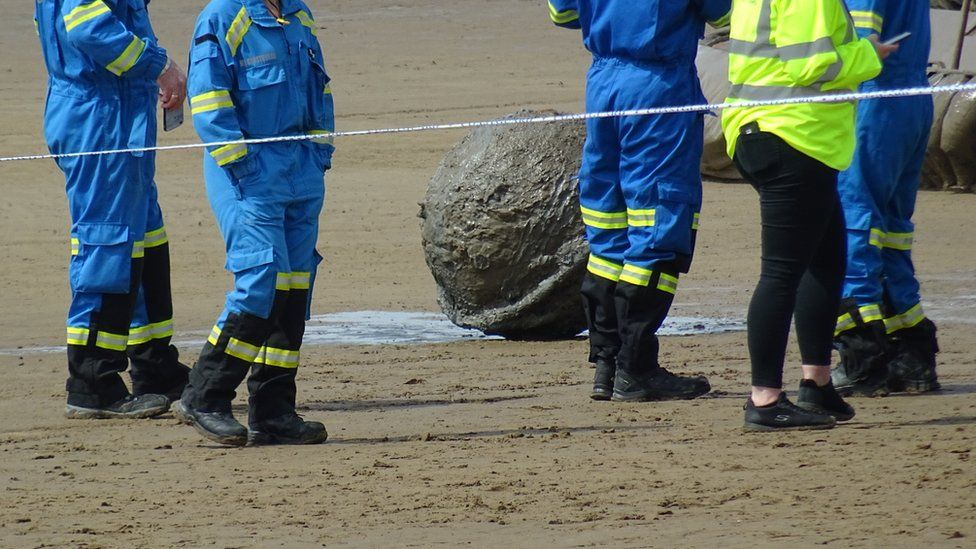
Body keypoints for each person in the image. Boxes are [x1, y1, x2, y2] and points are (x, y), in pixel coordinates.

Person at [722, 0, 896, 431]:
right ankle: (764, 400)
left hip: (782, 134)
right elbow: (811, 67)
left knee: (826, 260)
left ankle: (816, 384)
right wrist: (870, 53)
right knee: (781, 273)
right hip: (790, 135)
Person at [548, 0, 730, 402]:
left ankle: (607, 364)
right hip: (658, 87)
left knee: (608, 226)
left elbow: (562, 13)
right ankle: (637, 367)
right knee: (658, 224)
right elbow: (728, 16)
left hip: (603, 84)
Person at [175, 0, 334, 446]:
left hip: (301, 171)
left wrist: (320, 154)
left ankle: (274, 410)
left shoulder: (298, 14)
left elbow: (320, 91)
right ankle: (205, 396)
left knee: (294, 285)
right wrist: (245, 169)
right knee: (261, 281)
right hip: (250, 176)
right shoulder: (222, 17)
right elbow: (208, 102)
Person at [35, 0, 191, 419]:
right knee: (107, 244)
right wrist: (158, 65)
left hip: (118, 112)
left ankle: (155, 364)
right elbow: (88, 27)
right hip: (100, 117)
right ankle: (92, 382)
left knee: (143, 239)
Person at [832, 1, 939, 397]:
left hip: (870, 101)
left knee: (854, 225)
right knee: (891, 230)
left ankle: (863, 358)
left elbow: (861, 45)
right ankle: (910, 350)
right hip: (910, 98)